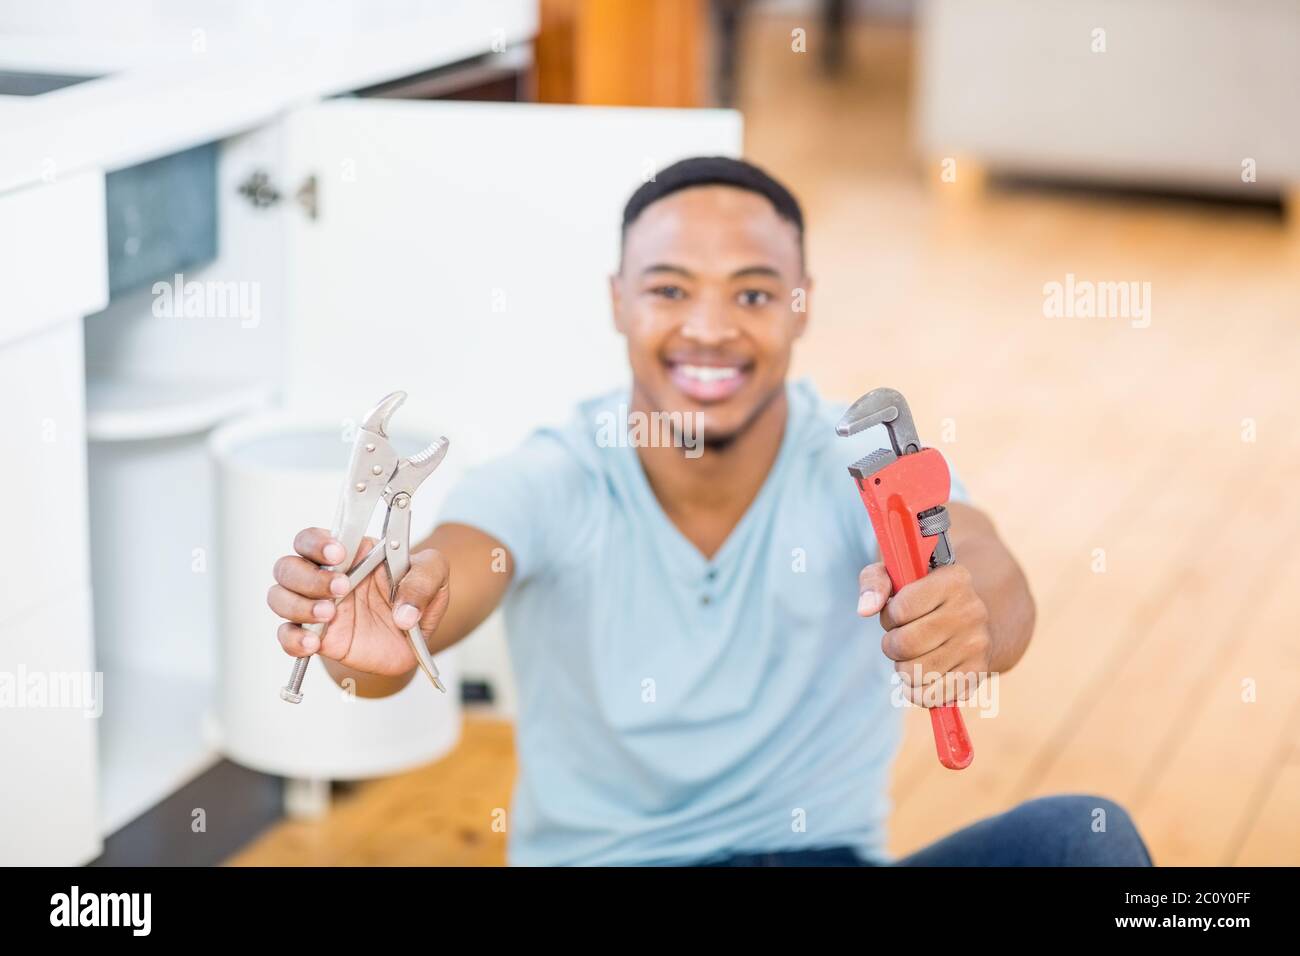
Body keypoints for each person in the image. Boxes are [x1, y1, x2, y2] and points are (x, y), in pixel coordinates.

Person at [267, 156, 1152, 867]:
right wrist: (377, 636)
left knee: (1082, 841)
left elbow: (987, 570)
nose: (711, 328)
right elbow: (450, 572)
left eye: (754, 293)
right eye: (670, 289)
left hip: (821, 859)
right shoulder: (554, 477)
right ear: (618, 299)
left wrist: (974, 624)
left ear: (800, 304)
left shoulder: (859, 463)